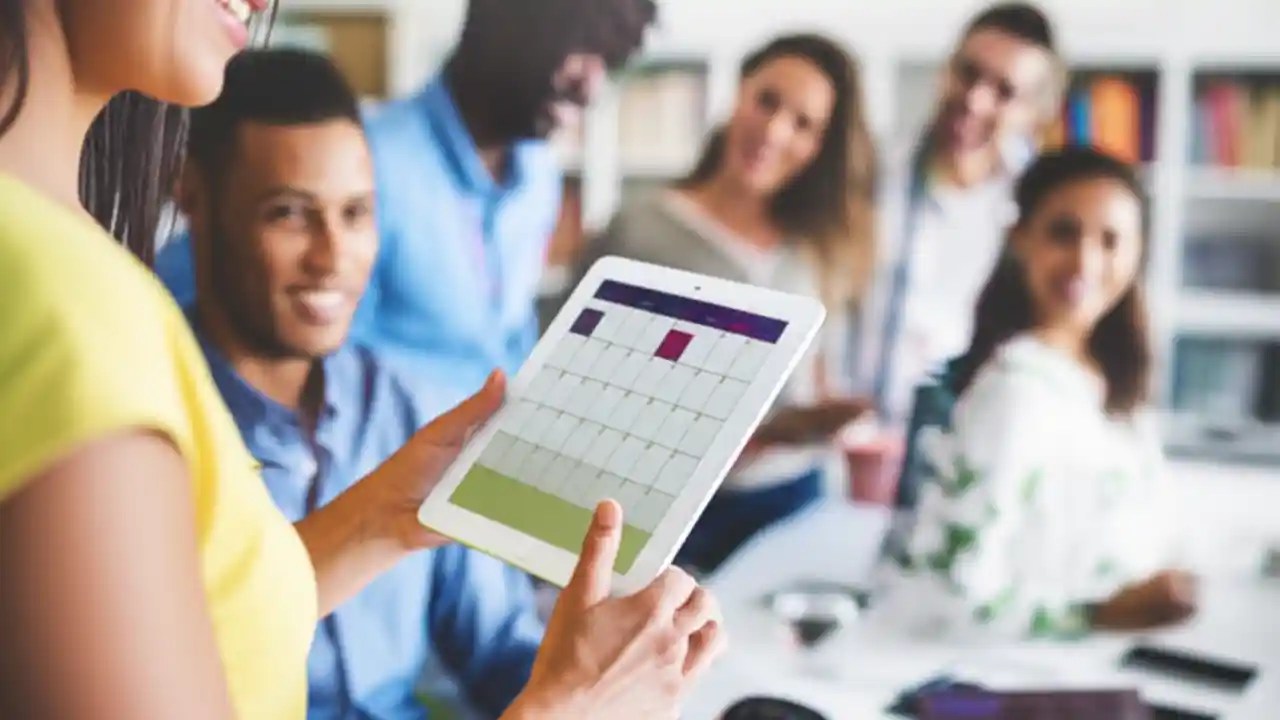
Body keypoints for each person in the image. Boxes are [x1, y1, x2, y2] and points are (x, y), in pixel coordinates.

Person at [0, 3, 723, 719]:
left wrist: (382, 516)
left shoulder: (74, 268)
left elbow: (219, 630)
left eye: (357, 213)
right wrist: (574, 705)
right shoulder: (72, 293)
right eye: (289, 213)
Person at [178, 48, 549, 719]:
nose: (332, 259)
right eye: (289, 214)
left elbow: (498, 647)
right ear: (193, 199)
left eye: (355, 214)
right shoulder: (155, 430)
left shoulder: (408, 410)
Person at [156, 0, 658, 417]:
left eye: (609, 60)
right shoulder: (356, 160)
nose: (591, 85)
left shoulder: (538, 178)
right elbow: (193, 289)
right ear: (504, 25)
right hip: (362, 472)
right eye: (579, 49)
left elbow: (508, 343)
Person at [575, 34, 878, 573]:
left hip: (794, 499)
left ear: (821, 148)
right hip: (673, 514)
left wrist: (825, 419)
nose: (774, 130)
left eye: (804, 124)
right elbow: (585, 387)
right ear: (737, 94)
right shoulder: (639, 231)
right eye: (767, 101)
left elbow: (813, 375)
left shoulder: (818, 246)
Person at [871, 147, 1196, 640]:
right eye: (1064, 232)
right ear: (1020, 238)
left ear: (1139, 252)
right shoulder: (1015, 393)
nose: (1085, 261)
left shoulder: (1107, 377)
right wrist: (1100, 614)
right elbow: (953, 595)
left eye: (1110, 240)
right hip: (1021, 668)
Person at [855, 3, 1066, 434]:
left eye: (1004, 91)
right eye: (968, 73)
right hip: (857, 440)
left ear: (1036, 116)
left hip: (967, 439)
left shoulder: (1040, 218)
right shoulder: (870, 176)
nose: (974, 100)